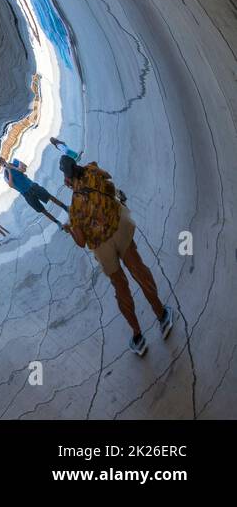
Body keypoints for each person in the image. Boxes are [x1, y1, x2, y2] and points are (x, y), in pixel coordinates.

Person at [56, 141, 174, 356]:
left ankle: (138, 336)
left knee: (121, 289)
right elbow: (108, 177)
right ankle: (162, 315)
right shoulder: (92, 171)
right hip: (120, 229)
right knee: (140, 272)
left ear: (66, 180)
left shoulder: (74, 211)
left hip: (103, 249)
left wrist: (70, 229)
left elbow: (81, 242)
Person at [0, 156, 69, 228]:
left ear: (4, 159)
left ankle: (66, 208)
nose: (3, 162)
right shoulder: (5, 175)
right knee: (42, 210)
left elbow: (24, 169)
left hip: (32, 186)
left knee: (50, 196)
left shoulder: (15, 162)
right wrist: (9, 170)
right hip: (26, 194)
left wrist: (13, 167)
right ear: (0, 165)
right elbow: (11, 185)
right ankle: (58, 223)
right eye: (1, 162)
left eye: (2, 160)